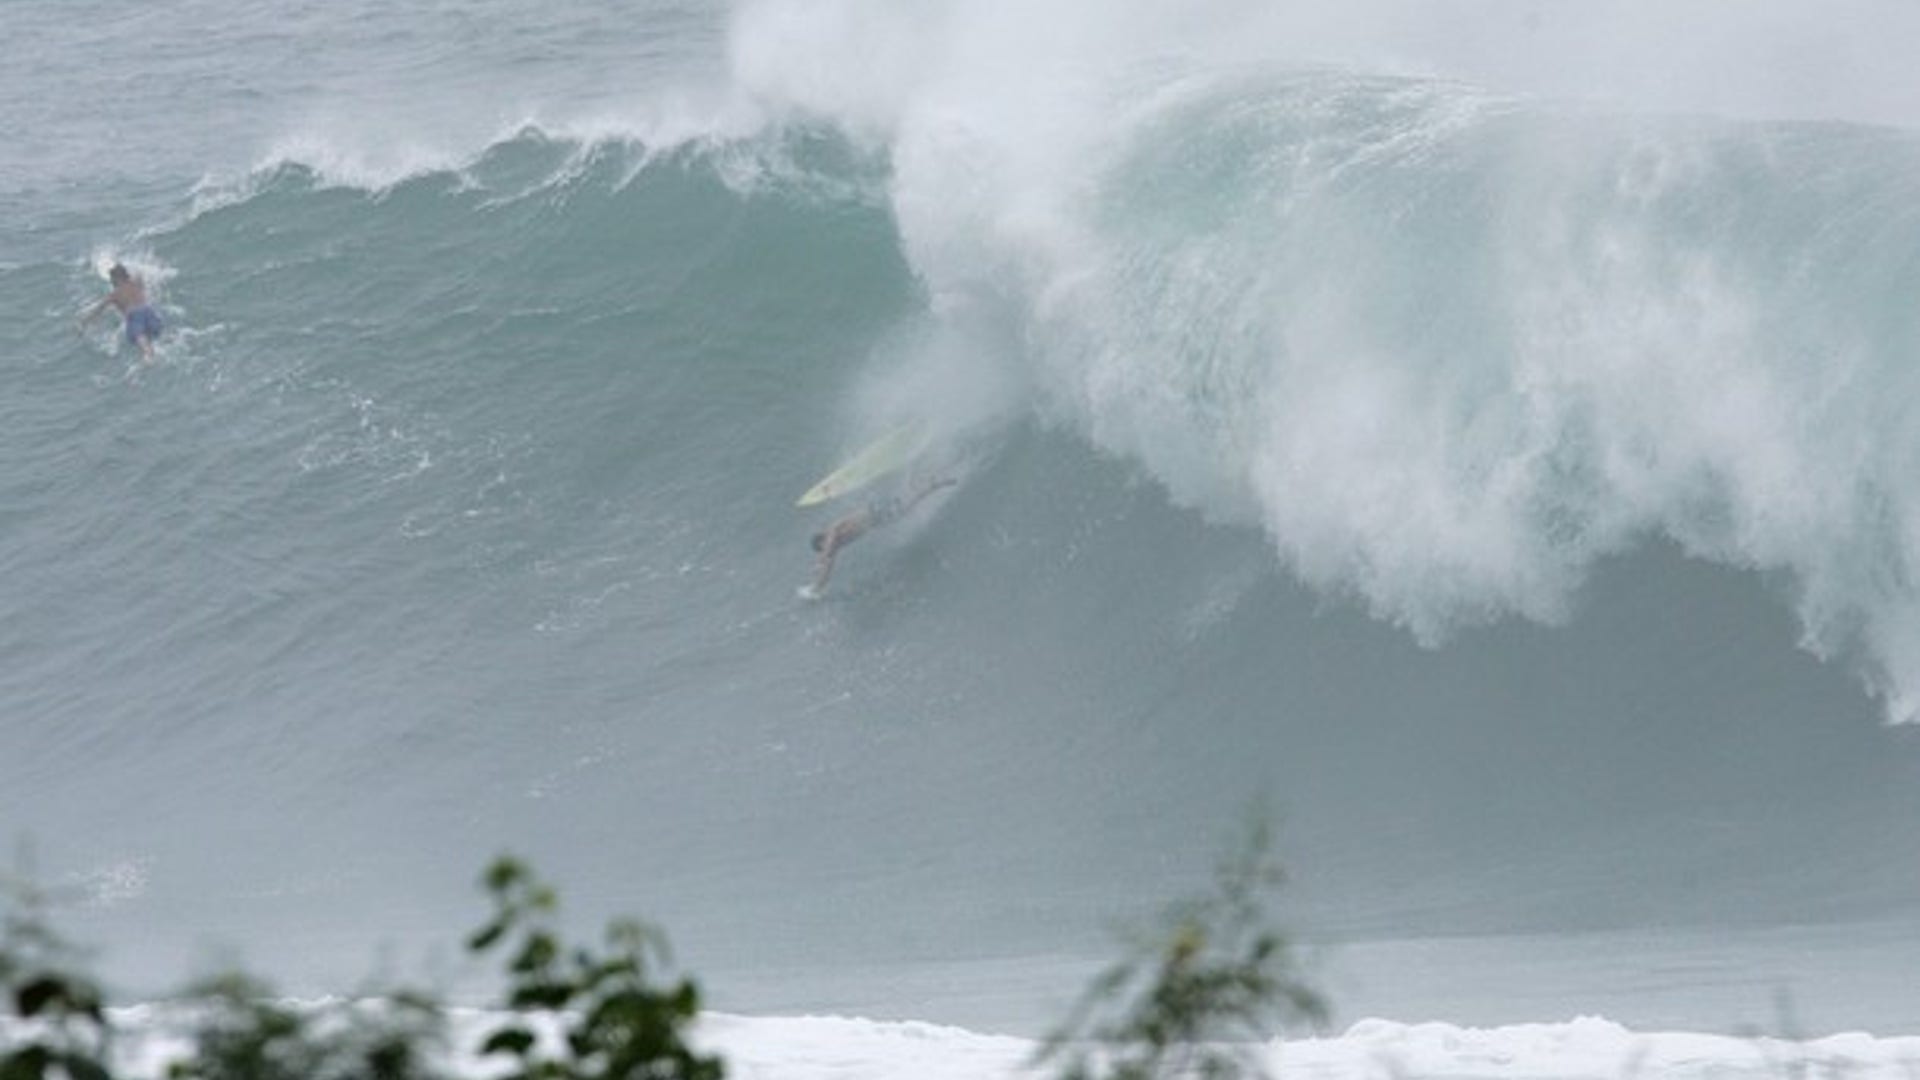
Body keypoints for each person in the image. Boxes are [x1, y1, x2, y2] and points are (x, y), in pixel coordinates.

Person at [803, 474, 957, 598]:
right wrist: (817, 588)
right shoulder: (835, 544)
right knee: (905, 506)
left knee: (906, 506)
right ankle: (929, 483)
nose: (826, 549)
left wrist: (822, 559)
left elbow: (830, 547)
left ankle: (932, 483)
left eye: (822, 547)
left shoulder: (832, 532)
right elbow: (828, 567)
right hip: (876, 519)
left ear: (822, 541)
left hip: (875, 512)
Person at [78, 263, 162, 362]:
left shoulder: (114, 294)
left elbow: (98, 310)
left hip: (134, 315)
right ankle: (150, 349)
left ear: (118, 279)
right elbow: (140, 273)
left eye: (112, 279)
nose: (111, 281)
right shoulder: (136, 283)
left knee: (139, 336)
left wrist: (84, 322)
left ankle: (147, 352)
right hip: (148, 311)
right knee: (155, 335)